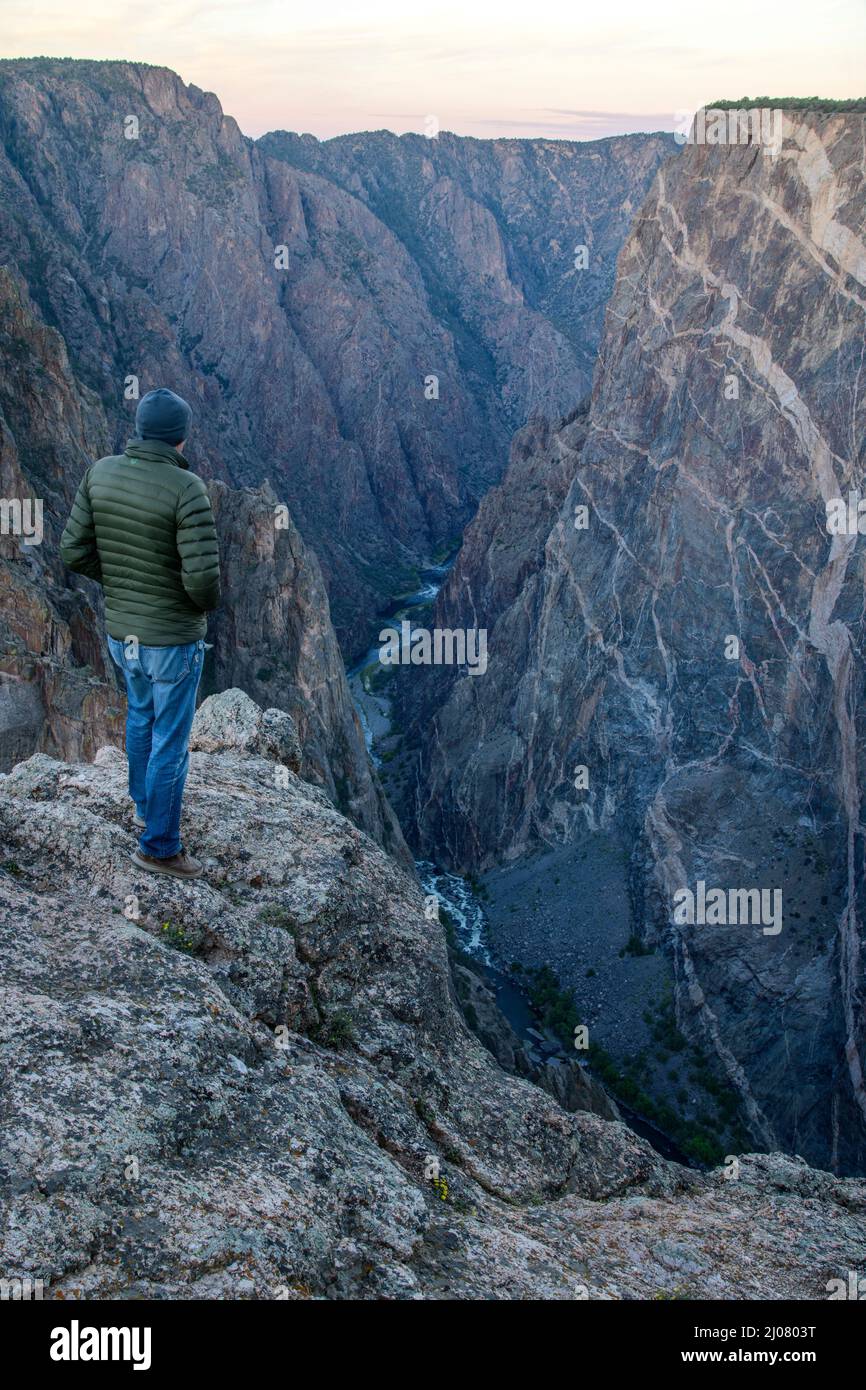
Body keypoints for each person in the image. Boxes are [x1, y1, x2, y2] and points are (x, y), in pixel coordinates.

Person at [60, 388, 221, 879]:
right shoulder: (186, 488)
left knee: (140, 719)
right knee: (170, 740)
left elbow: (73, 551)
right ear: (181, 436)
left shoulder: (100, 472)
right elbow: (203, 583)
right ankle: (159, 847)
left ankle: (143, 807)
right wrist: (187, 604)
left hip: (123, 634)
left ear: (139, 429)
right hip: (172, 639)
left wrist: (123, 583)